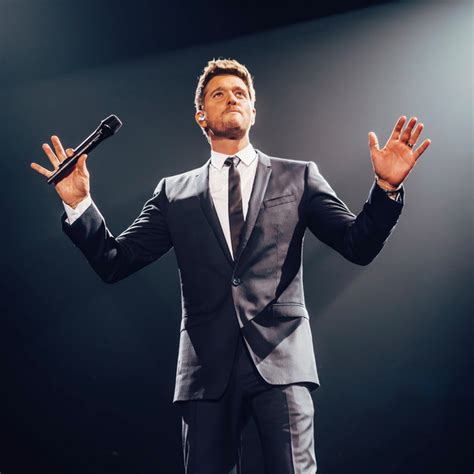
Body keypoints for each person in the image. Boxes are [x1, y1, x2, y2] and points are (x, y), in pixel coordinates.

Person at [31, 58, 431, 473]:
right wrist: (79, 205)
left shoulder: (298, 177)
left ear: (253, 111)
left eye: (241, 94)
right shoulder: (174, 193)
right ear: (201, 116)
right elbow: (115, 262)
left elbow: (357, 245)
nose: (232, 99)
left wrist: (387, 188)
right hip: (205, 373)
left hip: (281, 362)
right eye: (218, 94)